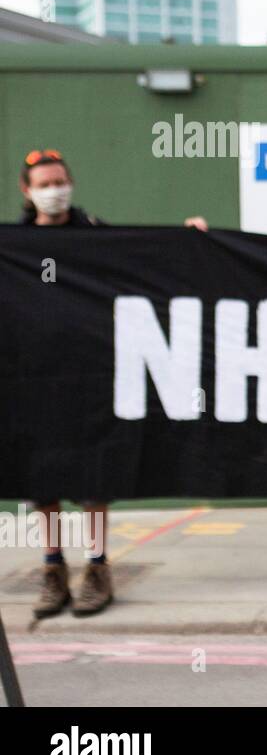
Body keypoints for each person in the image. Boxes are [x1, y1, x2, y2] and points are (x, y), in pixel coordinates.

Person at [20, 148, 208, 619]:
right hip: (31, 376)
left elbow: (141, 254)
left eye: (59, 180)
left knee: (92, 475)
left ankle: (98, 569)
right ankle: (52, 569)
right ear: (27, 191)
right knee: (40, 477)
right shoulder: (15, 246)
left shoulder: (94, 234)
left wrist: (186, 240)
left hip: (89, 371)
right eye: (43, 183)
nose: (54, 190)